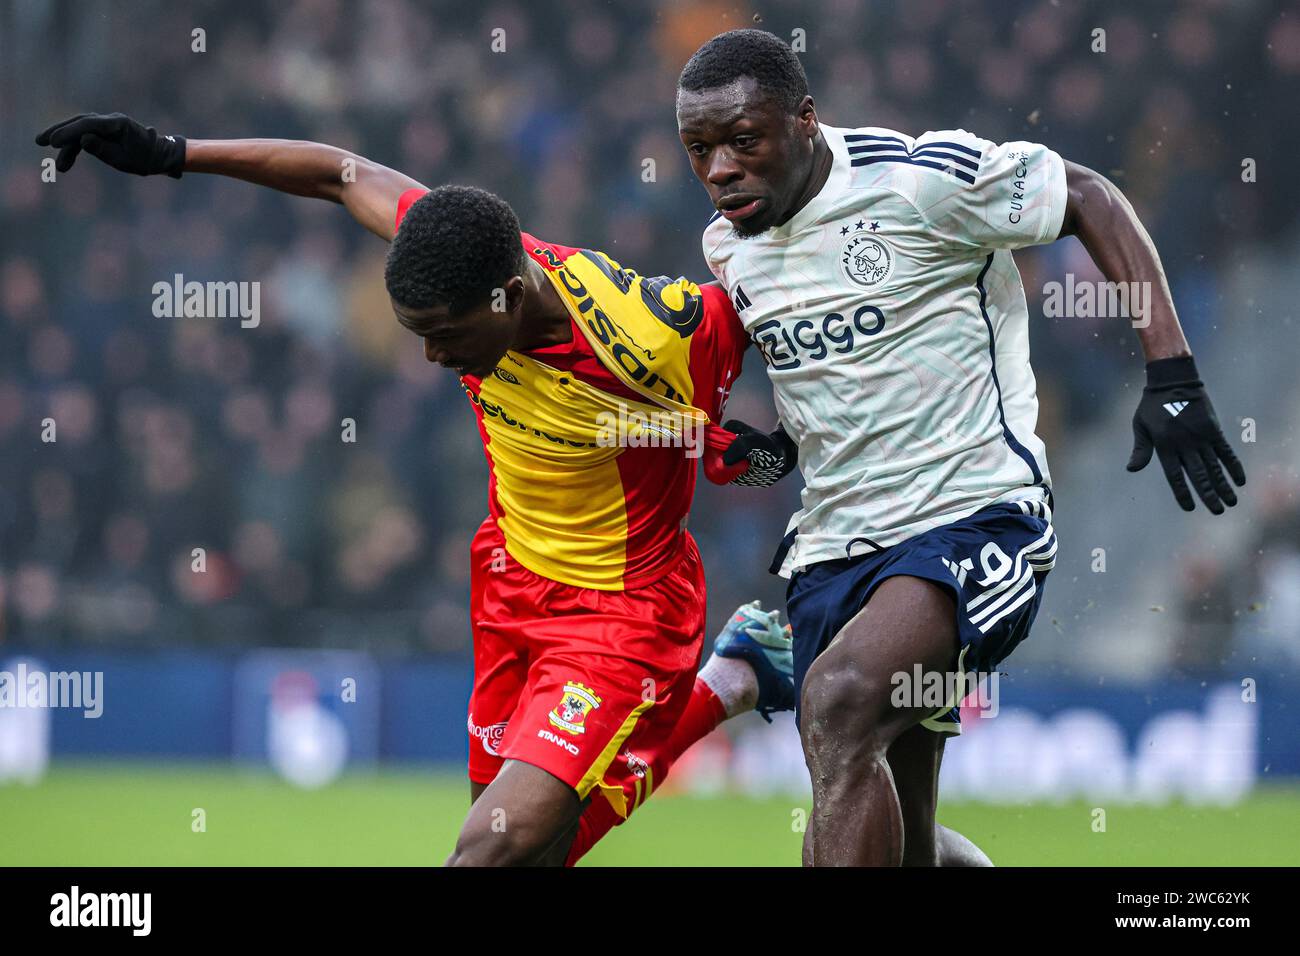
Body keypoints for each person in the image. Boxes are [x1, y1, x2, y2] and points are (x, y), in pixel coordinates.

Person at [36, 111, 798, 866]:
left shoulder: (656, 338)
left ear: (505, 295)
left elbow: (782, 326)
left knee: (485, 853)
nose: (434, 355)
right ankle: (732, 682)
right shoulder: (464, 255)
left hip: (621, 613)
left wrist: (761, 451)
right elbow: (343, 175)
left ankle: (723, 682)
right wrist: (175, 152)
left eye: (445, 333)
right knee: (533, 852)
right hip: (509, 581)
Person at [673, 30, 1248, 866]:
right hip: (834, 553)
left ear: (804, 121)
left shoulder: (918, 180)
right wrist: (763, 453)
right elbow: (827, 387)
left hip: (972, 521)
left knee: (835, 703)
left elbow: (1086, 194)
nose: (721, 168)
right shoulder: (728, 248)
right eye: (698, 150)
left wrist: (1173, 372)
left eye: (743, 141)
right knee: (903, 836)